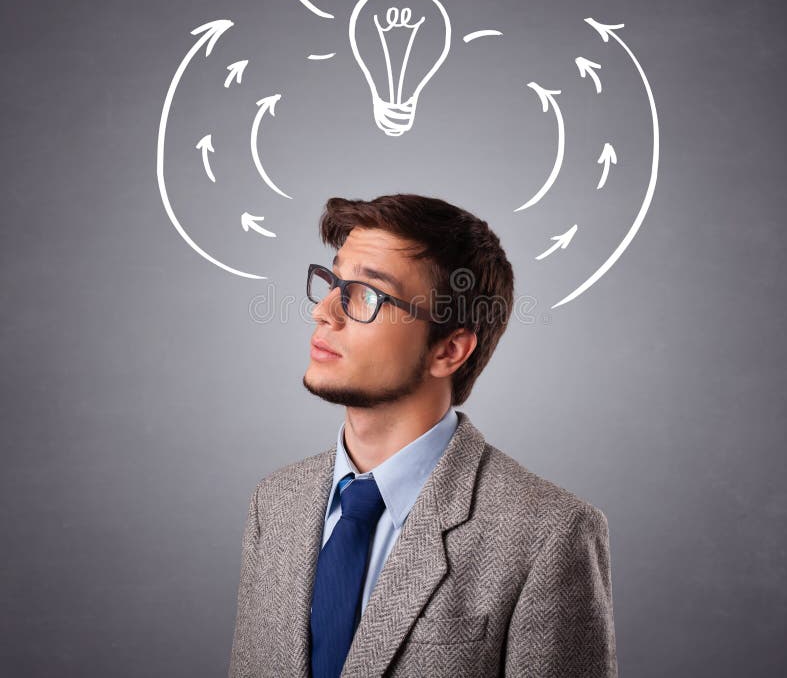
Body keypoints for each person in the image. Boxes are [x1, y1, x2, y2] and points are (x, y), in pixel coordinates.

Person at [227, 193, 618, 677]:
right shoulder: (275, 502)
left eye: (365, 295)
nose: (325, 312)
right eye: (332, 282)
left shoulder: (550, 534)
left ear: (449, 350)